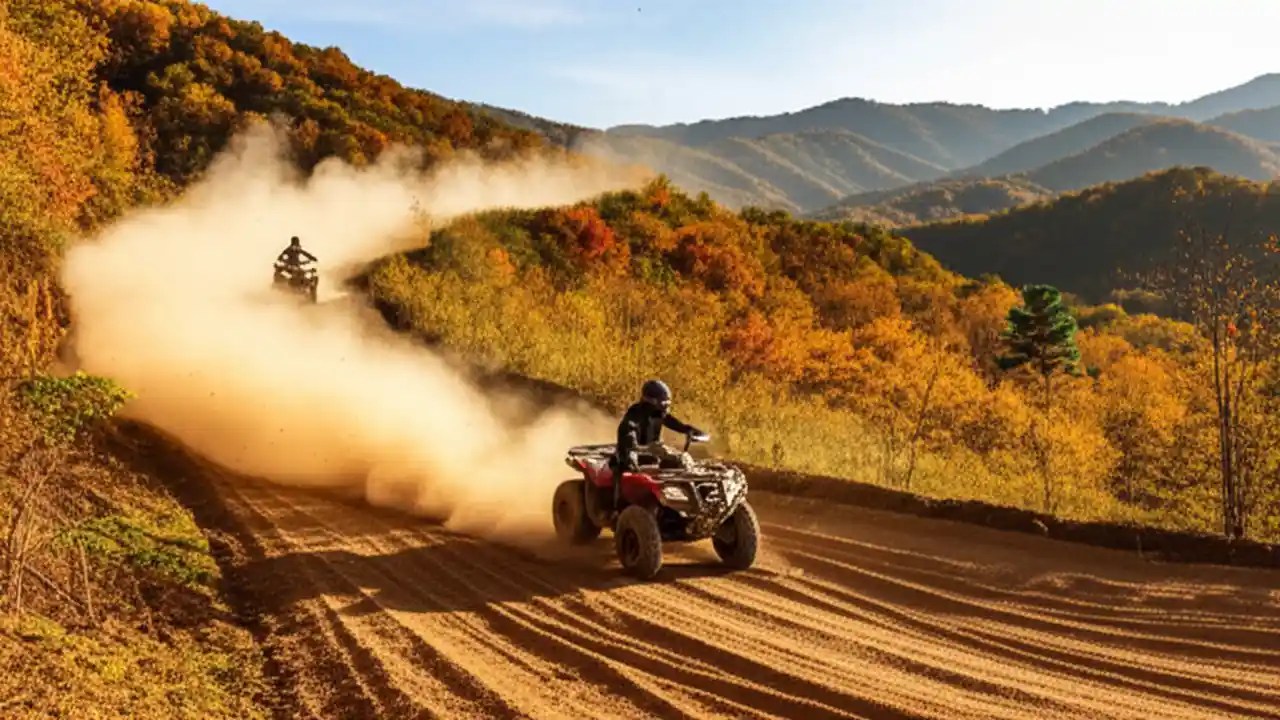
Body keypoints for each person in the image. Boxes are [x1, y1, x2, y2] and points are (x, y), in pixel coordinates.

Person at [609, 379, 704, 514]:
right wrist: (632, 444)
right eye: (663, 402)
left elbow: (673, 422)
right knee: (623, 472)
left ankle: (684, 501)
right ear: (651, 401)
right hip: (631, 455)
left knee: (678, 461)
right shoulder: (635, 413)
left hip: (651, 454)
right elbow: (628, 428)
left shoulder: (658, 414)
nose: (665, 406)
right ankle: (617, 509)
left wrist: (688, 430)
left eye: (667, 402)